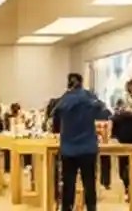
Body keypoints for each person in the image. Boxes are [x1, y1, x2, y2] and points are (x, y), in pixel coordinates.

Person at [51, 73, 110, 211]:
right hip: (88, 148)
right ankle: (91, 208)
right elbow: (104, 113)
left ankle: (67, 208)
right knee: (89, 183)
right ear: (82, 82)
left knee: (68, 184)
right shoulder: (90, 98)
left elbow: (54, 118)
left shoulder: (63, 100)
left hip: (68, 149)